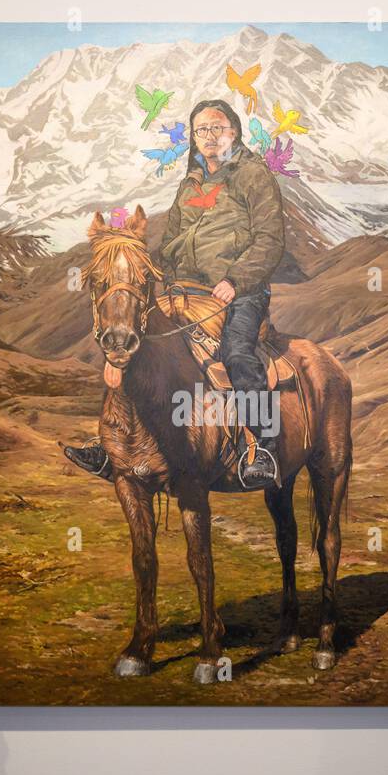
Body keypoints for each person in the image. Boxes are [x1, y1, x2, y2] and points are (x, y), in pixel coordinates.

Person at [65, 97, 286, 489]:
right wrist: (139, 263)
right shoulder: (190, 184)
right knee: (135, 339)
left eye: (218, 128)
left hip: (240, 292)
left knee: (236, 353)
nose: (209, 136)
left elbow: (270, 240)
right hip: (186, 291)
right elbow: (170, 244)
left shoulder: (255, 177)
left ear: (234, 132)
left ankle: (262, 448)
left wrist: (236, 279)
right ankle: (111, 443)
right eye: (202, 130)